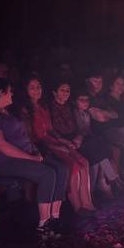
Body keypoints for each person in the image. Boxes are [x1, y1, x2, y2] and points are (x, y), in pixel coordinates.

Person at [0, 78, 66, 231]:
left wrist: (34, 152)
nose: (12, 93)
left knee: (61, 169)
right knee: (47, 174)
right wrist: (31, 158)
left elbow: (23, 137)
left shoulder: (7, 114)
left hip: (20, 157)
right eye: (9, 90)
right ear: (1, 92)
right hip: (1, 162)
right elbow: (2, 145)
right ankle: (44, 223)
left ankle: (55, 216)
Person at [20, 76, 96, 214]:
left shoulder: (43, 106)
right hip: (42, 146)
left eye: (38, 87)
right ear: (25, 90)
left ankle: (88, 203)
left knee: (84, 162)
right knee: (74, 165)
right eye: (32, 87)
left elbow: (50, 130)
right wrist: (55, 146)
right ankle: (78, 207)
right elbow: (32, 137)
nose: (37, 90)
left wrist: (62, 140)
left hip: (53, 140)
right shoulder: (25, 110)